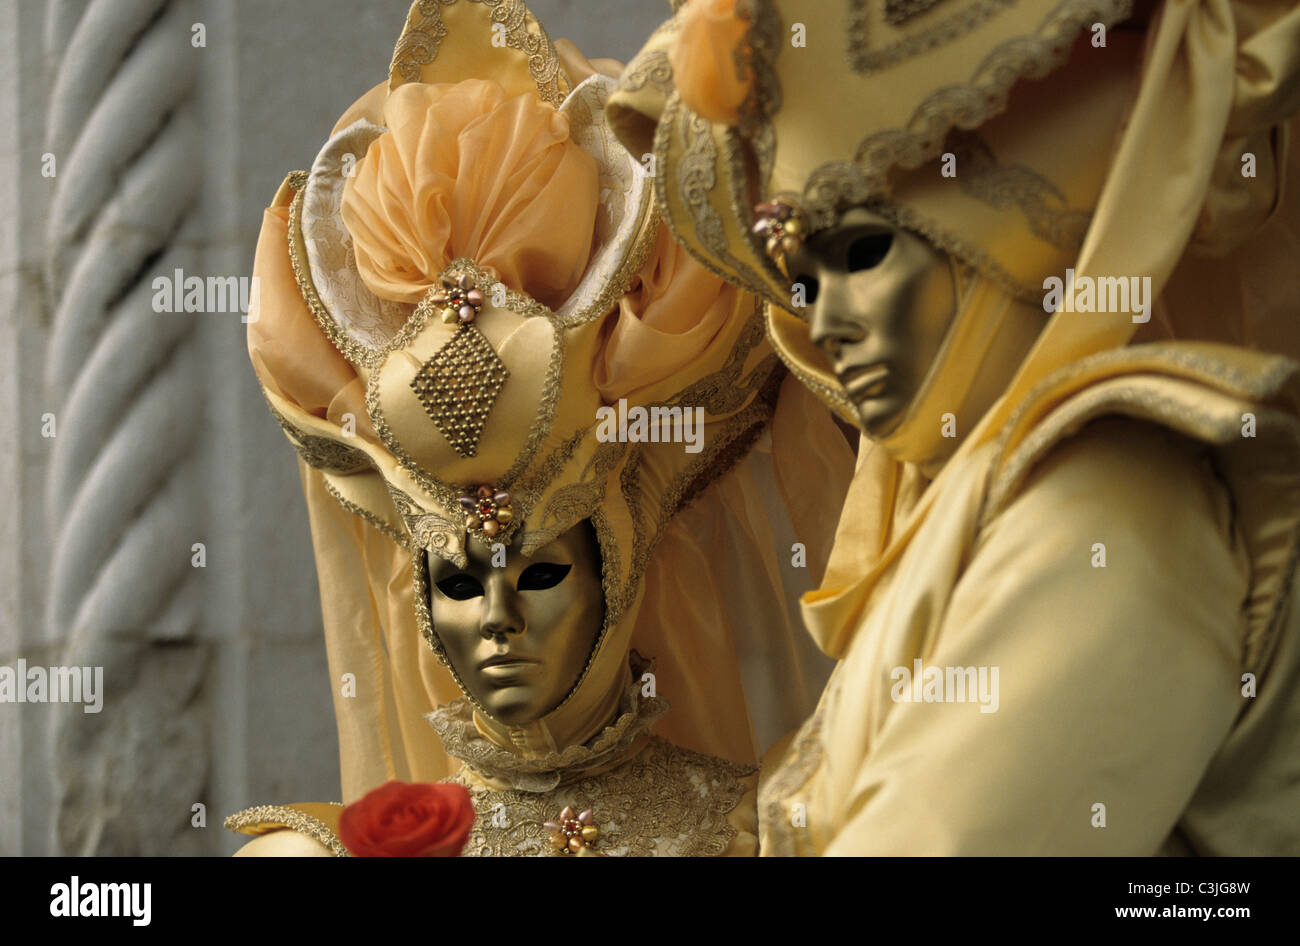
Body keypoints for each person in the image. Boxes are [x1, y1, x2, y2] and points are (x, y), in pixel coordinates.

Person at [608, 0, 1300, 853]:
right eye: (803, 284)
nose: (824, 324)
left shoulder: (1109, 505)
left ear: (1001, 239)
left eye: (863, 254)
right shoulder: (980, 503)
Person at [225, 0, 852, 855]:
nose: (496, 619)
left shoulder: (761, 827)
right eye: (454, 581)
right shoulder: (317, 853)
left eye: (543, 571)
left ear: (617, 567)